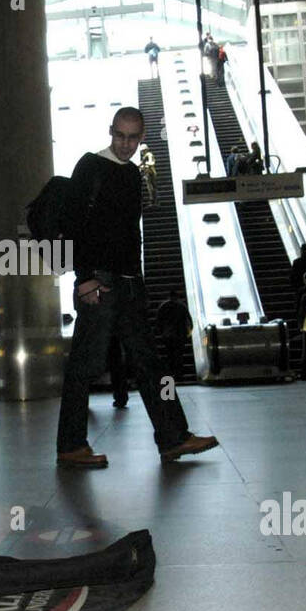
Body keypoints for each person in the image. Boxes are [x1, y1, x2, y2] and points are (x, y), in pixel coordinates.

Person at [56, 107, 218, 469]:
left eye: (133, 138)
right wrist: (83, 278)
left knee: (151, 364)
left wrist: (136, 278)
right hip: (99, 281)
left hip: (129, 284)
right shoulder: (90, 166)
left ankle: (174, 435)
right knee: (85, 364)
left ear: (141, 137)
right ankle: (70, 444)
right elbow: (71, 225)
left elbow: (129, 233)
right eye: (120, 136)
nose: (126, 144)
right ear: (110, 131)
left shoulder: (132, 174)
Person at [155, 289, 193, 384]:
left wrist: (161, 332)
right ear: (177, 297)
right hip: (180, 334)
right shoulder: (182, 306)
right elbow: (189, 320)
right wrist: (188, 333)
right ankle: (179, 374)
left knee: (170, 354)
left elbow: (158, 321)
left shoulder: (163, 306)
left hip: (167, 334)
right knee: (179, 354)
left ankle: (170, 372)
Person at [107, 334, 133, 408]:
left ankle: (120, 397)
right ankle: (121, 397)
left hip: (115, 356)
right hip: (117, 357)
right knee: (119, 376)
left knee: (116, 377)